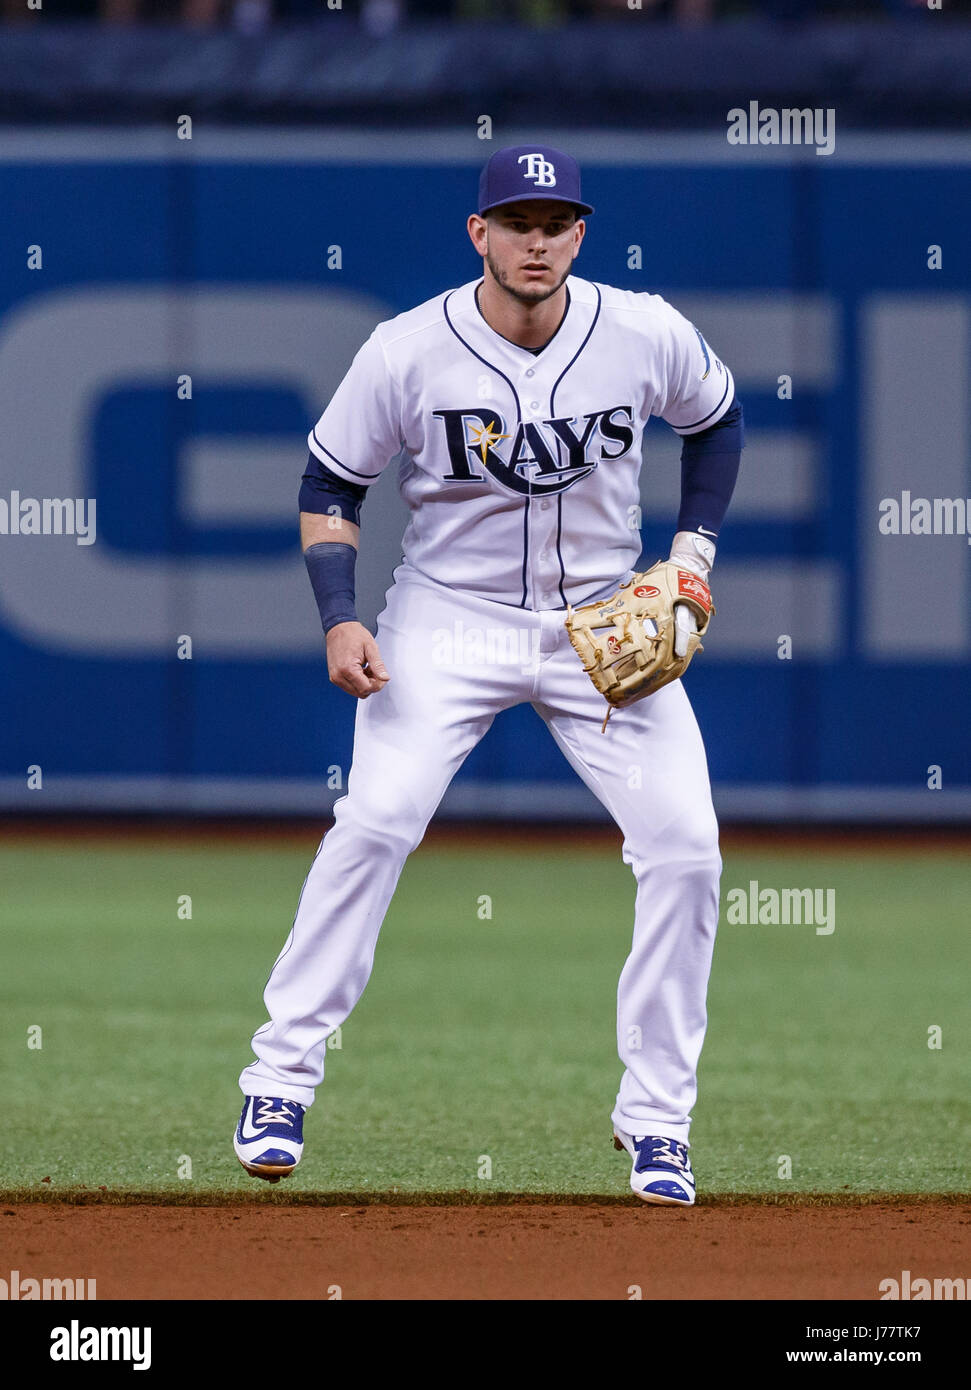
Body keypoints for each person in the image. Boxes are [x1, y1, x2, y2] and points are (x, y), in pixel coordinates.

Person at [234, 144, 743, 1204]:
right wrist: (338, 619)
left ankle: (656, 1122)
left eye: (555, 221)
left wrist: (688, 558)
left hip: (603, 622)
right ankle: (277, 1077)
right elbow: (330, 479)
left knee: (688, 849)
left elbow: (716, 418)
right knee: (373, 822)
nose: (536, 240)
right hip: (446, 619)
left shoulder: (641, 330)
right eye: (515, 221)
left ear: (580, 234)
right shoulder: (407, 349)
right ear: (479, 234)